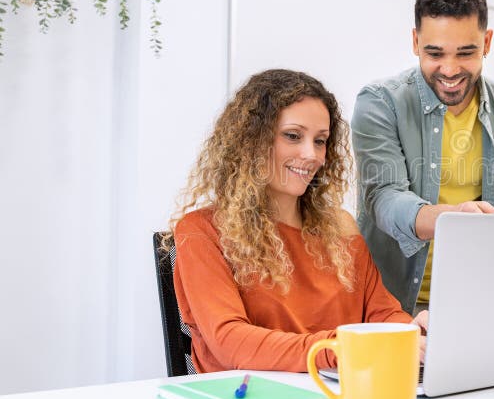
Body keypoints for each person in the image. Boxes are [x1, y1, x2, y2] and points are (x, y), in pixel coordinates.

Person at [165, 69, 427, 373]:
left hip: (338, 396)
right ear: (250, 141)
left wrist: (409, 332)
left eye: (320, 141)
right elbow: (230, 343)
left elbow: (382, 314)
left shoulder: (340, 228)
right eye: (293, 136)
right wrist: (340, 348)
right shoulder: (201, 231)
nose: (312, 154)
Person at [351, 0, 494, 315]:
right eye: (434, 53)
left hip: (475, 298)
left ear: (487, 43)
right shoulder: (380, 103)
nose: (449, 69)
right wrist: (453, 218)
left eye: (465, 53)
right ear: (415, 41)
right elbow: (384, 200)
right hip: (392, 306)